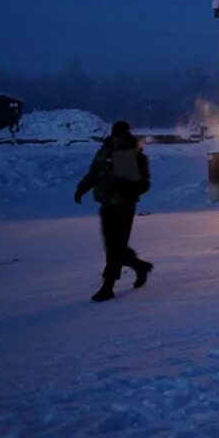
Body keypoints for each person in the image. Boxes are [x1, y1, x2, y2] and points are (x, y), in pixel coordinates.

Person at [74, 120, 153, 302]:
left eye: (122, 136)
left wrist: (131, 187)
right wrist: (82, 188)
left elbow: (144, 183)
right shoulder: (105, 152)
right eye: (117, 136)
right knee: (112, 246)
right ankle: (140, 266)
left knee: (115, 248)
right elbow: (94, 173)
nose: (119, 140)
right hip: (106, 205)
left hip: (124, 207)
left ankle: (108, 286)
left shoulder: (134, 155)